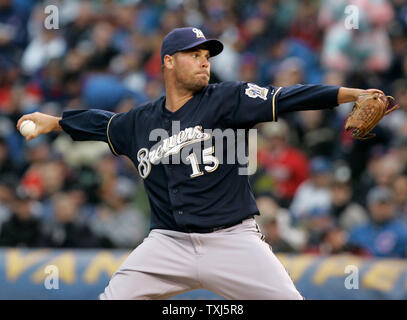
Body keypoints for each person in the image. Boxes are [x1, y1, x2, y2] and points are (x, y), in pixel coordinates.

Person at [17, 27, 385, 300]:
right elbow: (103, 123)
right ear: (169, 61)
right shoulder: (140, 122)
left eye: (207, 56)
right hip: (167, 244)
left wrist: (351, 94)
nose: (204, 62)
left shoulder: (228, 99)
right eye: (194, 55)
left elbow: (288, 97)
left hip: (233, 241)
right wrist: (56, 121)